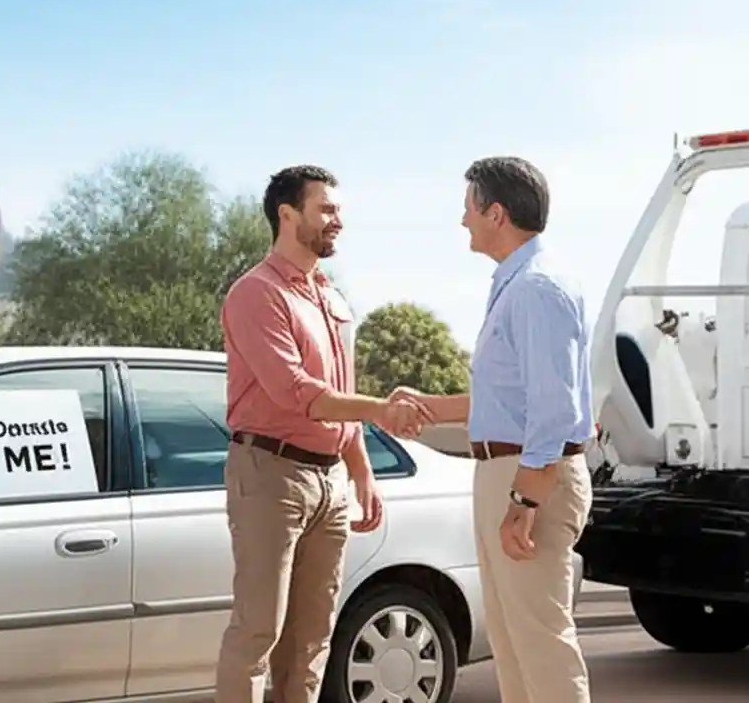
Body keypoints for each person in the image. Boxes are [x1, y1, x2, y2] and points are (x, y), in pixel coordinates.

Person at [214, 164, 432, 703]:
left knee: (312, 639)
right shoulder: (256, 295)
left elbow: (340, 390)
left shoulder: (331, 298)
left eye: (338, 211)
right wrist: (383, 410)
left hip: (329, 482)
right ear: (288, 215)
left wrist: (360, 471)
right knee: (258, 631)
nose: (338, 221)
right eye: (326, 210)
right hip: (271, 475)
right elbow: (297, 391)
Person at [390, 156, 595, 703]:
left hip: (529, 475)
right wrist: (432, 406)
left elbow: (553, 410)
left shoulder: (536, 287)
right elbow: (512, 397)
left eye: (469, 209)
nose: (464, 221)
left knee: (541, 645)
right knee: (513, 644)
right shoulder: (519, 283)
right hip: (507, 470)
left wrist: (525, 500)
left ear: (496, 213)